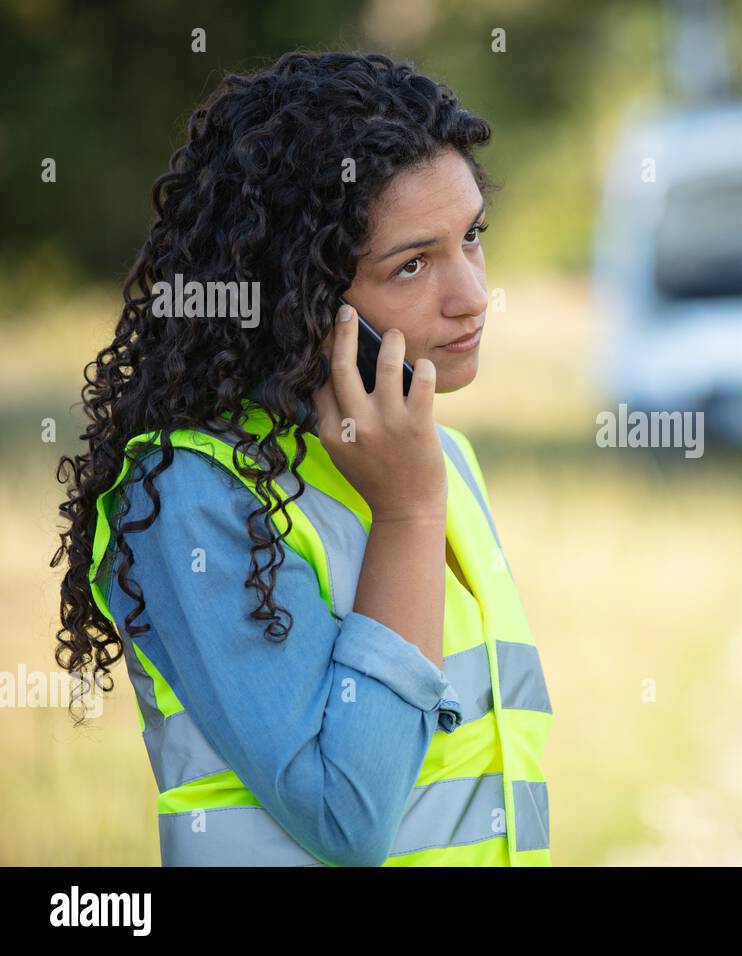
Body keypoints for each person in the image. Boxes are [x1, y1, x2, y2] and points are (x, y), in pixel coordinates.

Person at [50, 52, 552, 866]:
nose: (470, 296)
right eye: (413, 264)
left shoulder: (438, 458)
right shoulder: (193, 494)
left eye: (473, 239)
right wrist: (407, 516)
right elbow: (347, 815)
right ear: (300, 294)